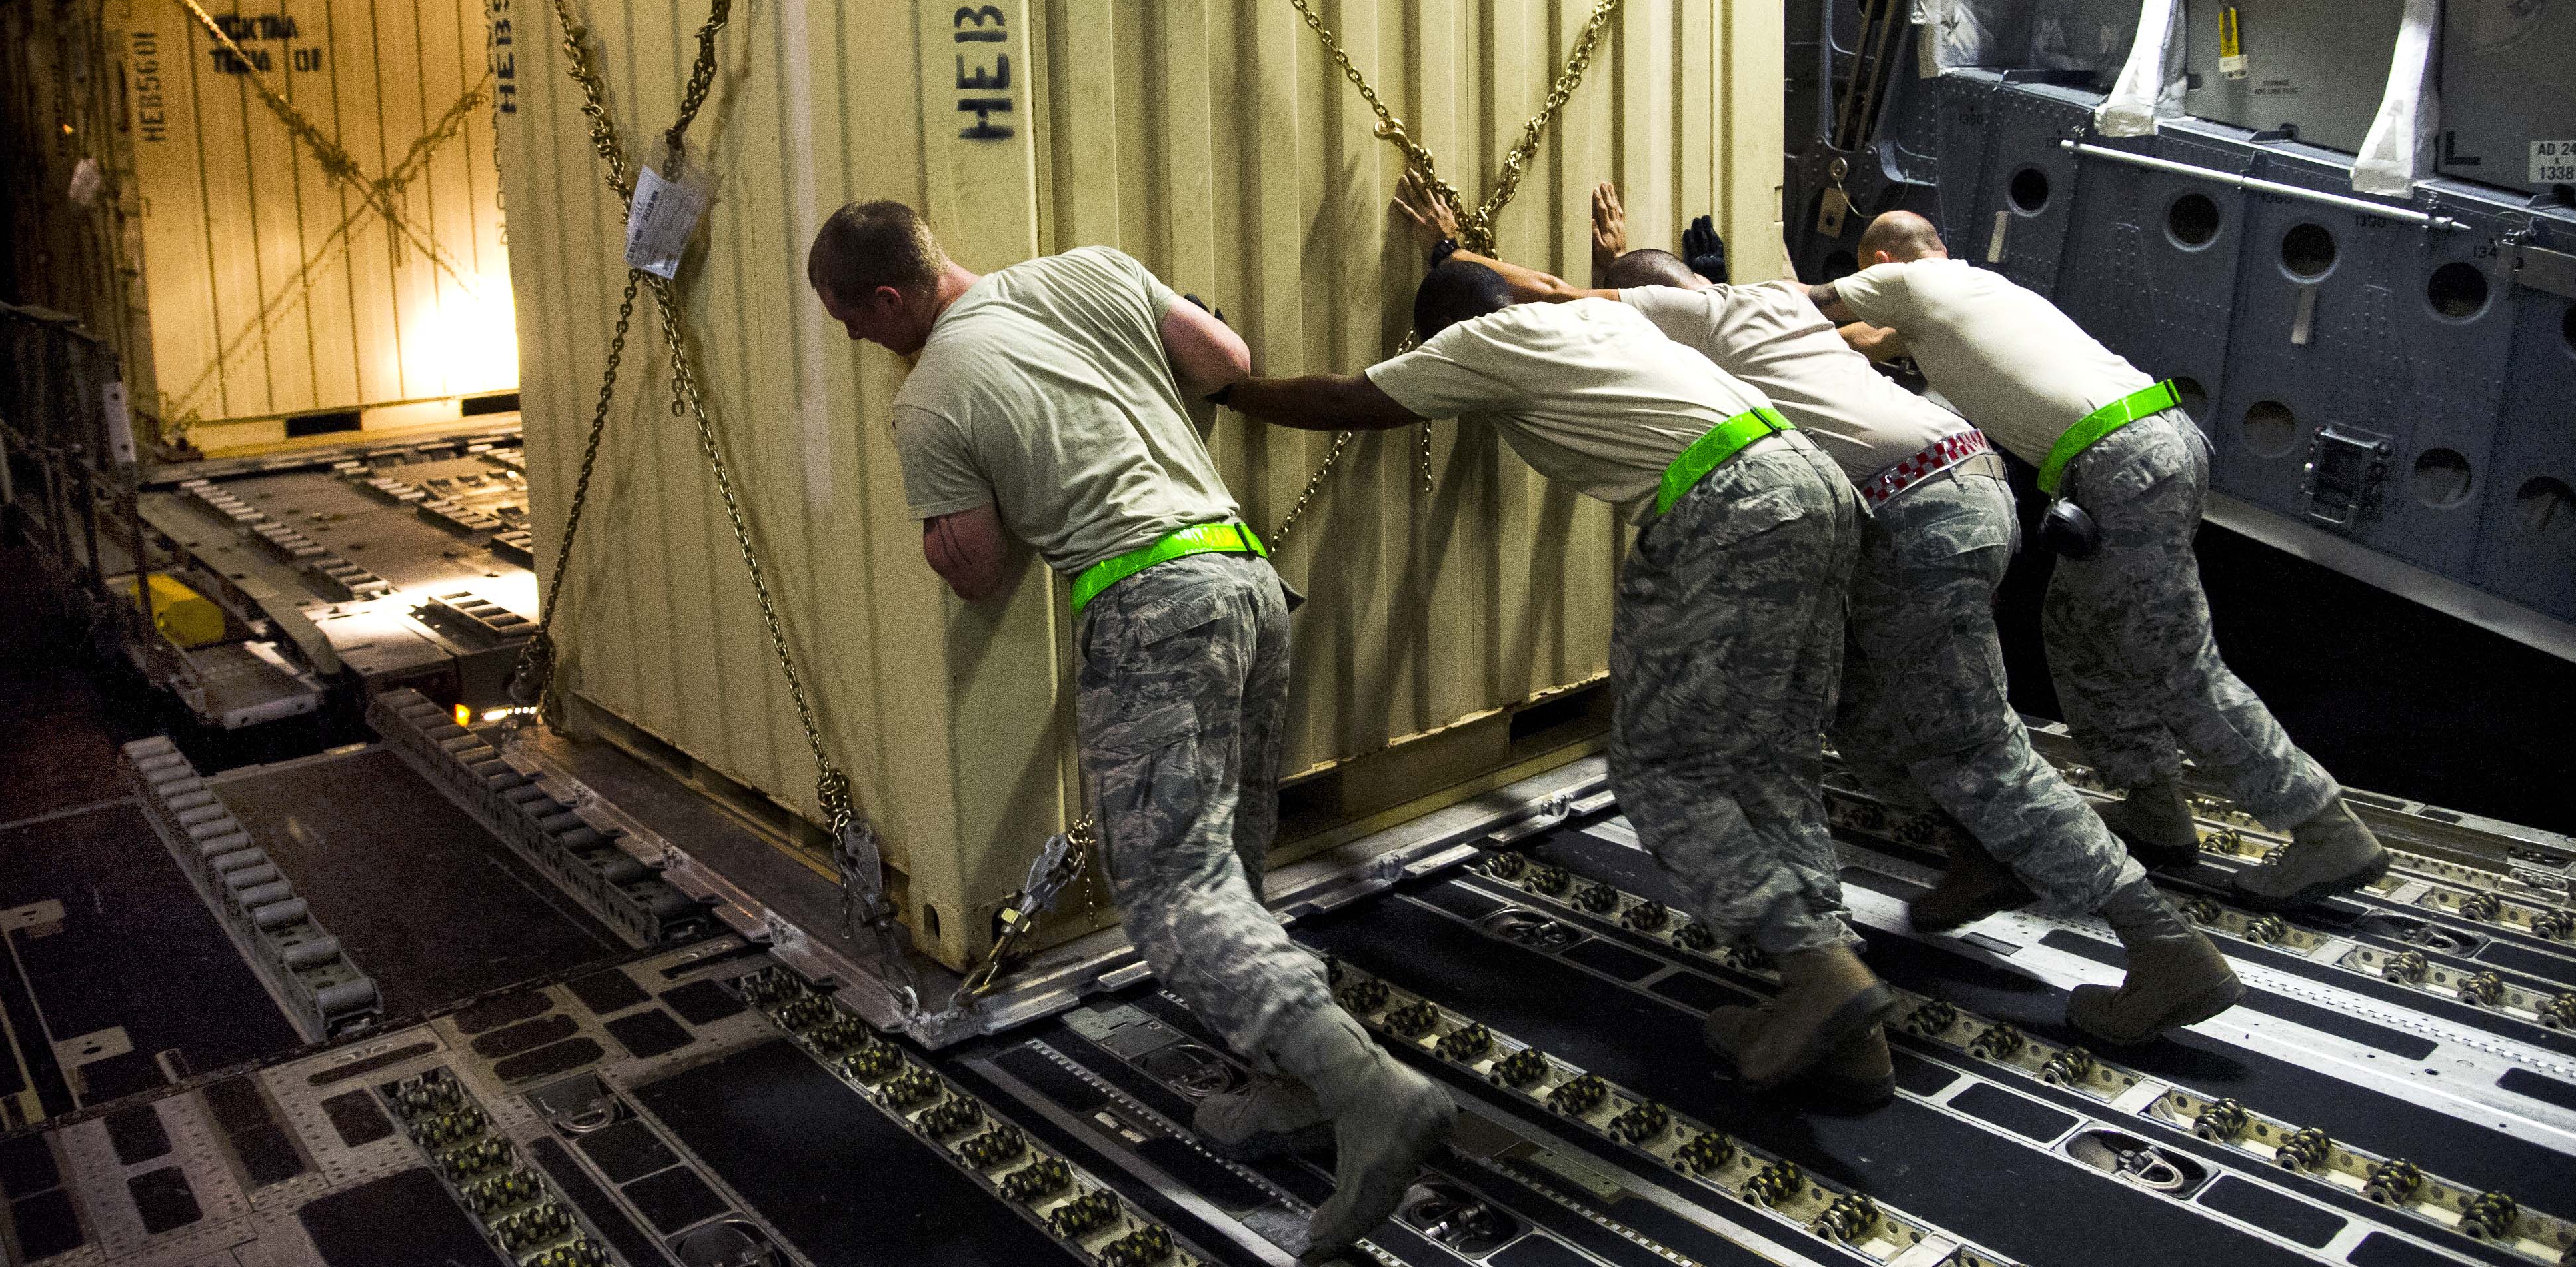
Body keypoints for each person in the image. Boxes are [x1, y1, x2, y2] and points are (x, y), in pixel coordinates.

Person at [1396, 179, 2241, 1048]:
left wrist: (1453, 256)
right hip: (1948, 497)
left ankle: (2164, 950)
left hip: (1911, 516)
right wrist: (1618, 260)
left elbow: (1548, 307)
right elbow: (1620, 305)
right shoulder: (1750, 312)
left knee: (1973, 750)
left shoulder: (1683, 342)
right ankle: (1972, 860)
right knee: (1861, 717)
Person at [809, 201, 1452, 1263]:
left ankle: (1367, 1091)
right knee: (1229, 863)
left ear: (889, 298)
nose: (855, 344)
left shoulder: (927, 397)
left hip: (1149, 604)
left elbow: (975, 565)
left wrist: (938, 523)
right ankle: (1288, 1078)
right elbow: (1224, 357)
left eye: (852, 323)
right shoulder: (1090, 270)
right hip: (1244, 580)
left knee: (1170, 893)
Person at [1219, 241, 1896, 1094]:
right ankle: (1846, 1036)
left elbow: (1345, 397)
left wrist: (1226, 386)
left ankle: (1820, 972)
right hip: (1816, 486)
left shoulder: (1474, 344)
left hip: (1727, 511)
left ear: (1440, 331)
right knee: (1773, 766)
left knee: (1664, 773)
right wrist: (1449, 247)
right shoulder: (1585, 316)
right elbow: (1528, 289)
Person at [1802, 211, 2388, 915]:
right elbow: (1861, 341)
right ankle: (2154, 809)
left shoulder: (1904, 280)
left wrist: (1696, 298)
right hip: (2144, 447)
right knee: (2078, 634)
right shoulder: (1967, 293)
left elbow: (1798, 307)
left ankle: (2324, 828)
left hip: (2119, 461)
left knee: (2171, 661)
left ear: (1882, 259)